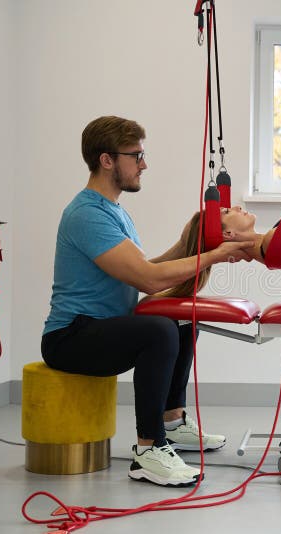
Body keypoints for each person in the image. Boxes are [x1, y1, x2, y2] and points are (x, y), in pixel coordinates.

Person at [41, 116, 253, 488]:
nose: (144, 164)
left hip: (101, 330)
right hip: (69, 338)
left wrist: (195, 244)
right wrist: (215, 257)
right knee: (157, 329)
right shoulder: (87, 214)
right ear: (107, 160)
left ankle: (172, 421)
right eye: (136, 156)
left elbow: (144, 268)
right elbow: (148, 280)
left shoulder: (114, 211)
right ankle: (149, 450)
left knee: (182, 317)